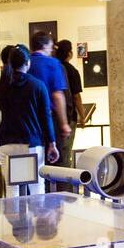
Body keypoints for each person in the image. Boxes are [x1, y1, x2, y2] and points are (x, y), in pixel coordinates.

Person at [0, 44, 58, 184]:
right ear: (28, 63)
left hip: (7, 143)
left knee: (11, 189)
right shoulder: (38, 86)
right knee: (36, 188)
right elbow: (45, 117)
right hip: (32, 142)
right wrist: (52, 142)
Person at [29, 33, 72, 162]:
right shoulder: (52, 63)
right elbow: (57, 95)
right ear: (45, 45)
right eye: (51, 46)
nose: (52, 50)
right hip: (49, 119)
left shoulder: (27, 63)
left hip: (29, 120)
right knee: (54, 160)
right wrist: (64, 123)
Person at [54, 39, 86, 166]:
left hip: (52, 116)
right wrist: (82, 116)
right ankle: (65, 177)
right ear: (69, 53)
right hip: (68, 116)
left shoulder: (54, 68)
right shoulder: (72, 71)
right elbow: (76, 96)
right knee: (65, 153)